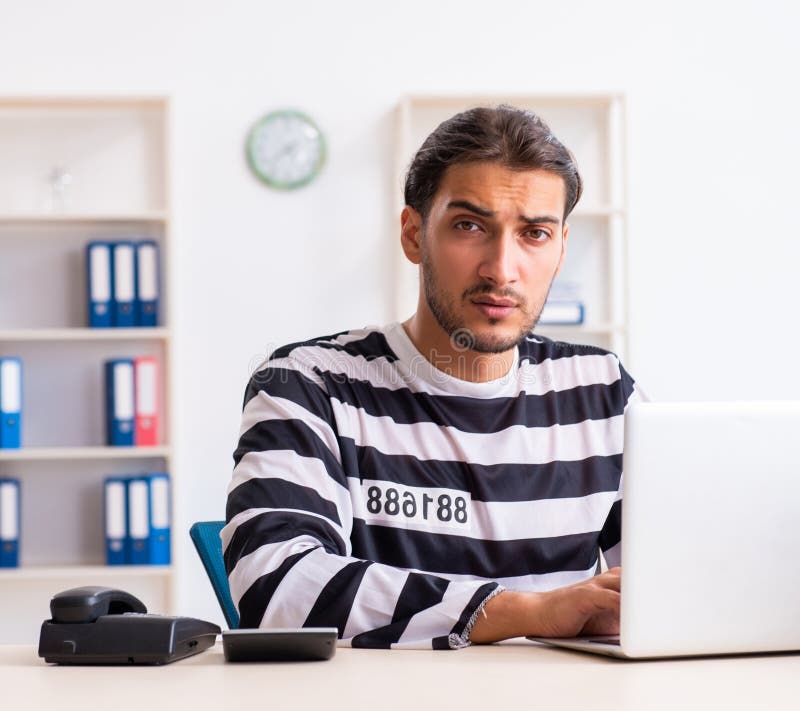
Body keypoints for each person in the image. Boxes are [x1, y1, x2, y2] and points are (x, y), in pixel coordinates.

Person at [222, 105, 645, 649]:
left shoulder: (603, 390)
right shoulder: (308, 385)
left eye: (534, 234)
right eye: (470, 226)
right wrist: (528, 612)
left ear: (561, 249)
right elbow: (274, 587)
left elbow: (672, 580)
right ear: (414, 234)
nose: (501, 268)